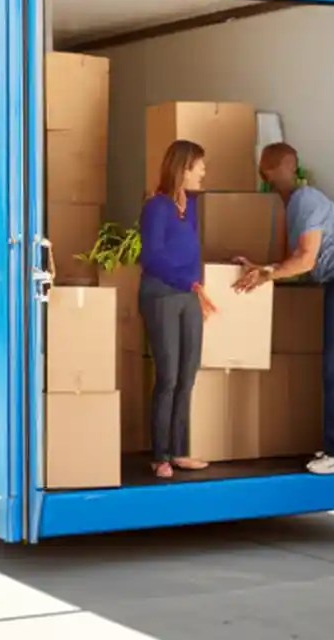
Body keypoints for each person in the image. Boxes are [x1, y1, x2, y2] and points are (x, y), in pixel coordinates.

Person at [234, 142, 334, 475]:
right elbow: (297, 262)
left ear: (272, 169)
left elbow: (306, 259)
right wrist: (265, 267)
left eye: (266, 169)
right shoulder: (298, 203)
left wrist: (267, 274)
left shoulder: (305, 200)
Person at [139, 139, 216, 479]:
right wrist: (187, 282)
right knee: (168, 376)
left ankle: (181, 450)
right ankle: (160, 456)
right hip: (162, 295)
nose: (203, 171)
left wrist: (195, 283)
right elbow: (151, 256)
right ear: (183, 168)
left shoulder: (193, 206)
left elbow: (192, 250)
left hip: (188, 295)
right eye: (199, 165)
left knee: (188, 373)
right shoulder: (156, 206)